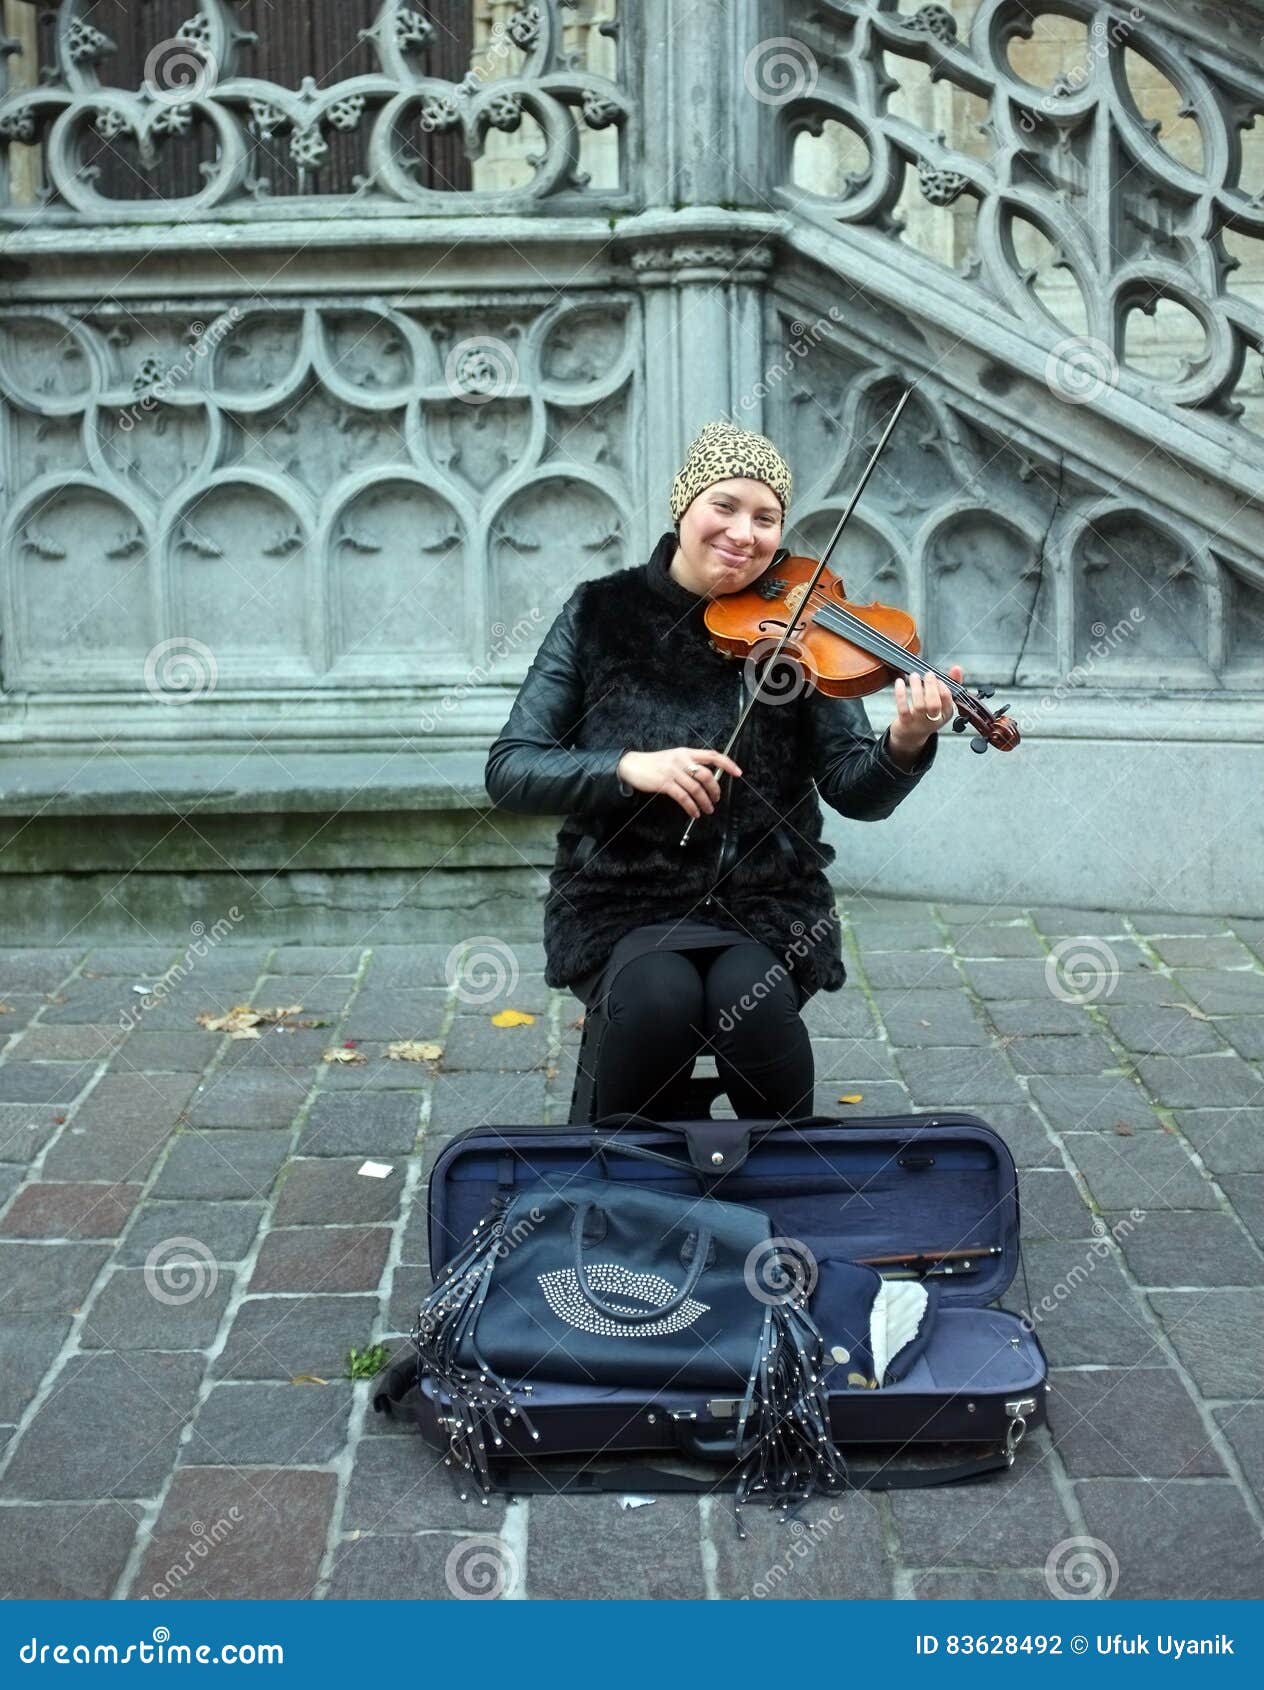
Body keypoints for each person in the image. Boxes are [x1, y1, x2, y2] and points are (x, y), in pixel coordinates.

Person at [483, 419, 962, 1121]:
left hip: (766, 905)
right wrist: (628, 768)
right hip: (622, 901)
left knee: (755, 1010)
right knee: (657, 1001)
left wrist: (906, 740)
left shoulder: (805, 629)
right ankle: (624, 1190)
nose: (745, 533)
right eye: (725, 506)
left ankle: (777, 1194)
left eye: (766, 518)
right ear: (684, 507)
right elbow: (512, 769)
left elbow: (854, 790)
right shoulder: (599, 612)